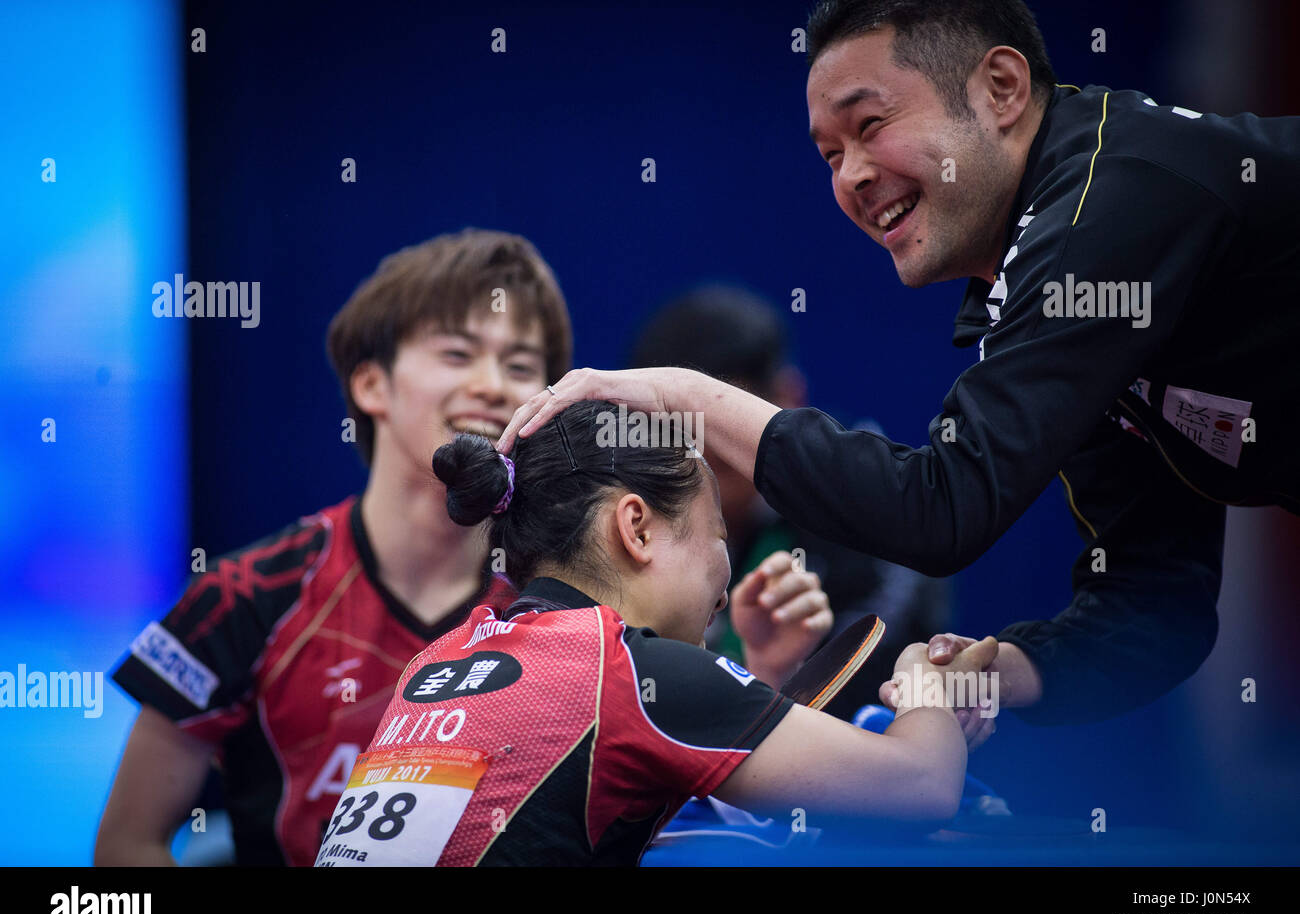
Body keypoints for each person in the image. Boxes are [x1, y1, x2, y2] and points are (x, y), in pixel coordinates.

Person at [498, 0, 1300, 728]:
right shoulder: (1054, 291)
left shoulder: (1116, 200)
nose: (850, 176)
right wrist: (988, 676)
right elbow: (1154, 606)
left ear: (1002, 88)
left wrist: (690, 396)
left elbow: (939, 508)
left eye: (870, 124)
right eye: (828, 153)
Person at [314, 400, 996, 866]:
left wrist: (759, 669)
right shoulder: (633, 673)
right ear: (635, 527)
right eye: (718, 536)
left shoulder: (437, 661)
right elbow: (924, 782)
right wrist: (927, 684)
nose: (724, 580)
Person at [95, 229, 570, 866]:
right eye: (457, 354)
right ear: (371, 386)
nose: (493, 386)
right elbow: (129, 843)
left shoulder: (567, 608)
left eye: (519, 367)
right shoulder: (248, 595)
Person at [628, 283, 949, 716]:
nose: (696, 484)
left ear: (787, 398)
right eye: (679, 452)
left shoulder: (869, 494)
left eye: (719, 456)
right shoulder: (632, 510)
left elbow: (874, 677)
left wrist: (777, 670)